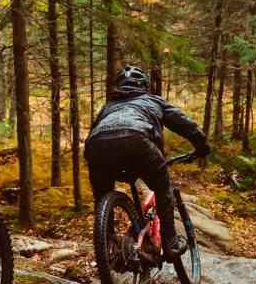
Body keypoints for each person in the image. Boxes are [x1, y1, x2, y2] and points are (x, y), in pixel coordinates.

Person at [84, 65, 210, 262]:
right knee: (161, 187)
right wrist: (202, 146)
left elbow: (95, 131)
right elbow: (184, 124)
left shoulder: (107, 107)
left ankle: (108, 247)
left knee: (101, 196)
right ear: (143, 85)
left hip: (97, 146)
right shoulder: (152, 100)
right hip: (137, 141)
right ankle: (170, 243)